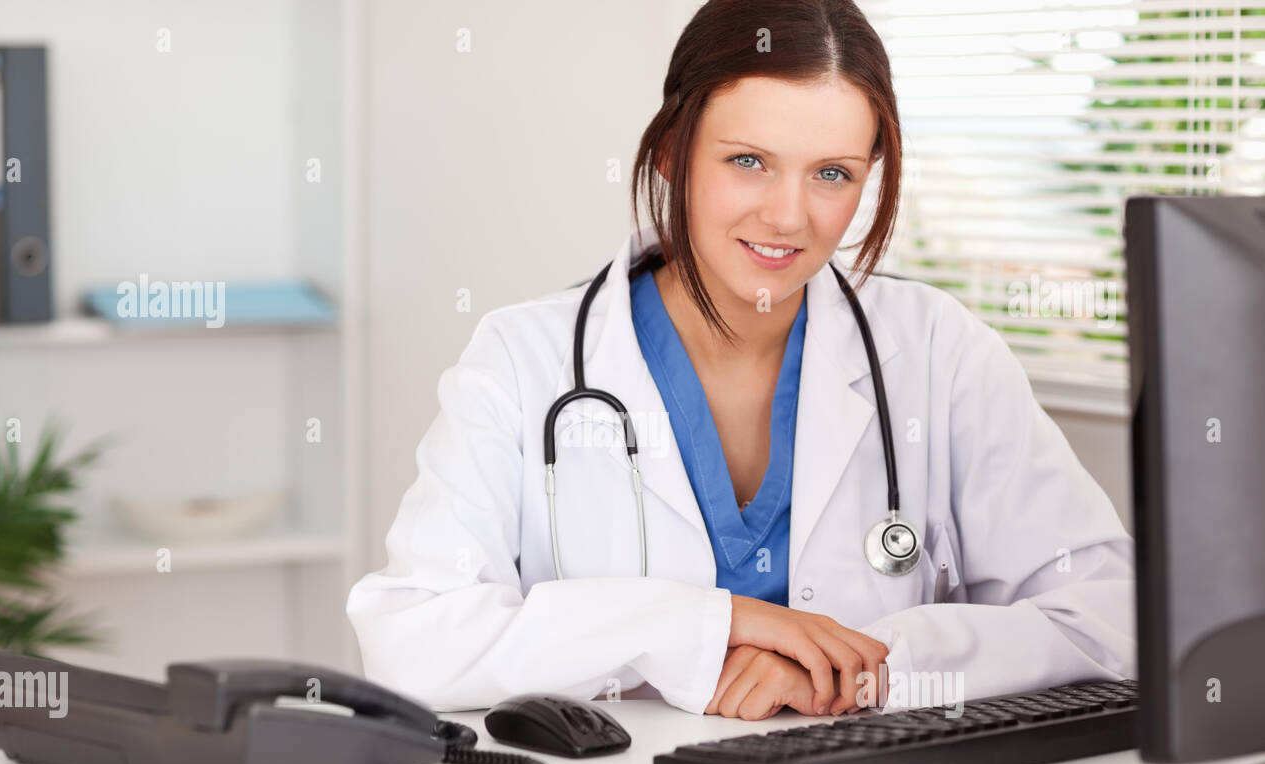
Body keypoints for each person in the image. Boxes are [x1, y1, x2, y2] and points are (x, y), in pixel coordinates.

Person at [347, 0, 1135, 721]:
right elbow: (411, 638)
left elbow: (1112, 614)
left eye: (832, 174)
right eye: (748, 161)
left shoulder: (939, 351)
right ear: (669, 153)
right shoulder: (523, 360)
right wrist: (708, 627)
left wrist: (870, 668)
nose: (788, 215)